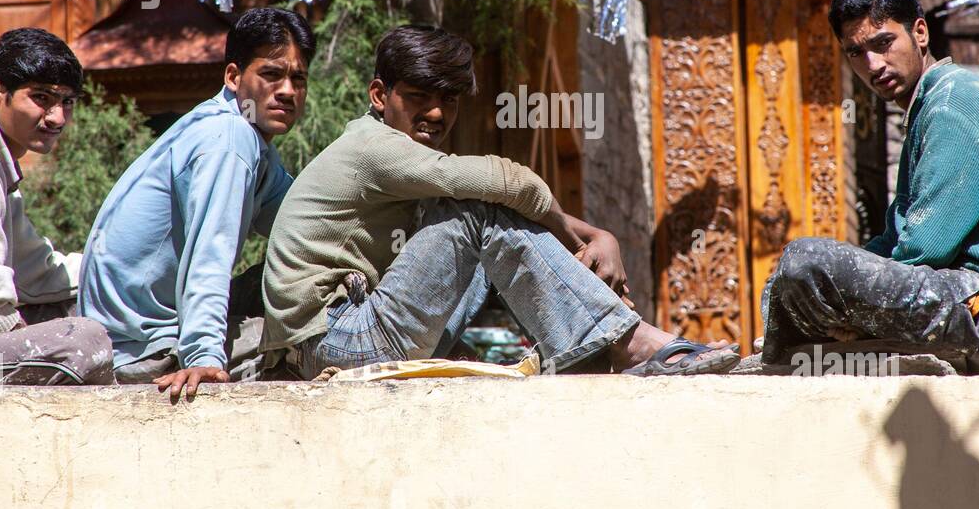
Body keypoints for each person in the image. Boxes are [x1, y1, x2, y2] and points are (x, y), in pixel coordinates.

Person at [259, 24, 741, 380]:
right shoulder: (371, 147)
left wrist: (601, 236)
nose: (436, 113)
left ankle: (595, 347)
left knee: (480, 209)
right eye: (419, 96)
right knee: (476, 207)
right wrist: (579, 241)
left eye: (449, 100)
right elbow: (508, 182)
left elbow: (504, 197)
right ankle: (627, 343)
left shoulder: (399, 156)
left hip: (355, 334)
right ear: (380, 95)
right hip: (337, 342)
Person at [760, 0, 979, 373]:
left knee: (806, 261)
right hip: (961, 306)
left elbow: (924, 248)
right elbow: (893, 241)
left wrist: (851, 302)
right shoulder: (928, 108)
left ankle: (788, 368)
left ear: (920, 32)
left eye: (883, 43)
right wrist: (845, 293)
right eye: (856, 52)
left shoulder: (954, 102)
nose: (873, 64)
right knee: (788, 281)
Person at [79, 7, 311, 398]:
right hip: (139, 348)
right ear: (234, 77)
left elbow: (303, 223)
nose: (287, 90)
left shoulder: (248, 139)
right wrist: (204, 356)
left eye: (298, 78)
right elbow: (210, 254)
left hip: (142, 331)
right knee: (303, 338)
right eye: (271, 74)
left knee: (286, 277)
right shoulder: (228, 138)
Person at [0, 28, 114, 385]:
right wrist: (34, 341)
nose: (57, 118)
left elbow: (39, 274)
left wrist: (123, 267)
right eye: (41, 98)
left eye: (67, 102)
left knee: (94, 310)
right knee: (83, 341)